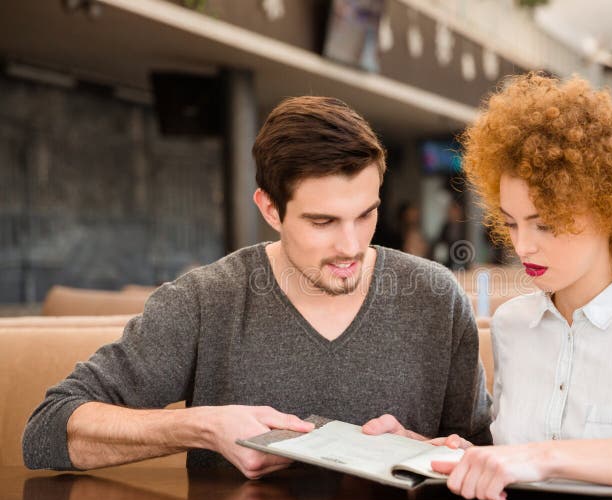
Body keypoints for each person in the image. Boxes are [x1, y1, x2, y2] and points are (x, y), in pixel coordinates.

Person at [23, 96, 492, 478]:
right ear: (270, 209)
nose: (350, 245)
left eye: (365, 214)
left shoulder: (435, 297)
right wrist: (203, 426)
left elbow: (484, 452)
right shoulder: (205, 301)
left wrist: (418, 448)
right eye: (322, 221)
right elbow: (48, 430)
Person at [368, 73, 612, 500]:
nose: (523, 245)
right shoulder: (513, 324)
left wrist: (543, 458)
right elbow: (516, 463)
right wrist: (427, 452)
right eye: (512, 222)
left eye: (545, 224)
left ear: (611, 211)